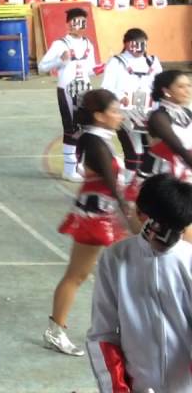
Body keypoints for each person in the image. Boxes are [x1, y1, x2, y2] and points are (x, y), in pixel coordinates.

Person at [45, 89, 139, 357]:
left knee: (125, 271)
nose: (120, 115)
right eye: (115, 111)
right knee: (77, 274)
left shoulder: (102, 137)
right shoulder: (95, 143)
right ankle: (56, 329)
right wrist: (131, 219)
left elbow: (129, 163)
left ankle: (125, 328)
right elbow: (112, 185)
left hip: (107, 214)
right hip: (96, 216)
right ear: (99, 115)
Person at [87, 174, 192, 392]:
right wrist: (117, 387)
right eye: (160, 225)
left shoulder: (189, 261)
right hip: (137, 385)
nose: (166, 237)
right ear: (141, 214)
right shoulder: (115, 259)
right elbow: (103, 334)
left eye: (176, 229)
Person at [39, 8, 99, 182]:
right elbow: (43, 66)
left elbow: (91, 69)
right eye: (76, 22)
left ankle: (78, 163)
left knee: (85, 127)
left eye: (83, 22)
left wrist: (105, 67)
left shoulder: (88, 44)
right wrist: (61, 60)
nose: (80, 26)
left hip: (85, 89)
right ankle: (68, 169)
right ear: (69, 24)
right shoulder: (60, 44)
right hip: (67, 89)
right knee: (71, 128)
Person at [101, 28, 161, 182]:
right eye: (136, 44)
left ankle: (144, 187)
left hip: (149, 113)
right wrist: (120, 96)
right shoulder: (116, 62)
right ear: (127, 44)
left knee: (151, 152)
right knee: (135, 153)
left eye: (143, 44)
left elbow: (160, 84)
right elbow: (106, 87)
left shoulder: (152, 62)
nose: (139, 49)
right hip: (125, 114)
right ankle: (127, 185)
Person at [124, 69, 192, 200]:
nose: (187, 90)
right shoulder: (158, 116)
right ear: (166, 91)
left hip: (184, 168)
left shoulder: (186, 112)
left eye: (189, 85)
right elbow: (178, 147)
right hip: (161, 174)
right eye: (181, 86)